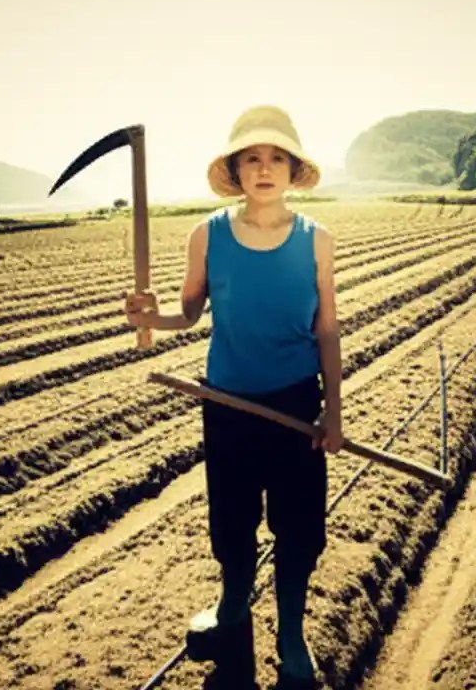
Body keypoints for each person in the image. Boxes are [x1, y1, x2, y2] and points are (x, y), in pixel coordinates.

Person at [125, 104, 343, 689]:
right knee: (232, 521)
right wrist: (152, 316)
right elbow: (190, 312)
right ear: (236, 169)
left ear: (293, 169)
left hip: (295, 405)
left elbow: (326, 328)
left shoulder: (316, 241)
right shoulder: (209, 235)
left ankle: (292, 635)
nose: (264, 168)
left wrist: (334, 409)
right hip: (227, 407)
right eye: (253, 158)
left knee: (298, 529)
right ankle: (232, 611)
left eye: (276, 158)